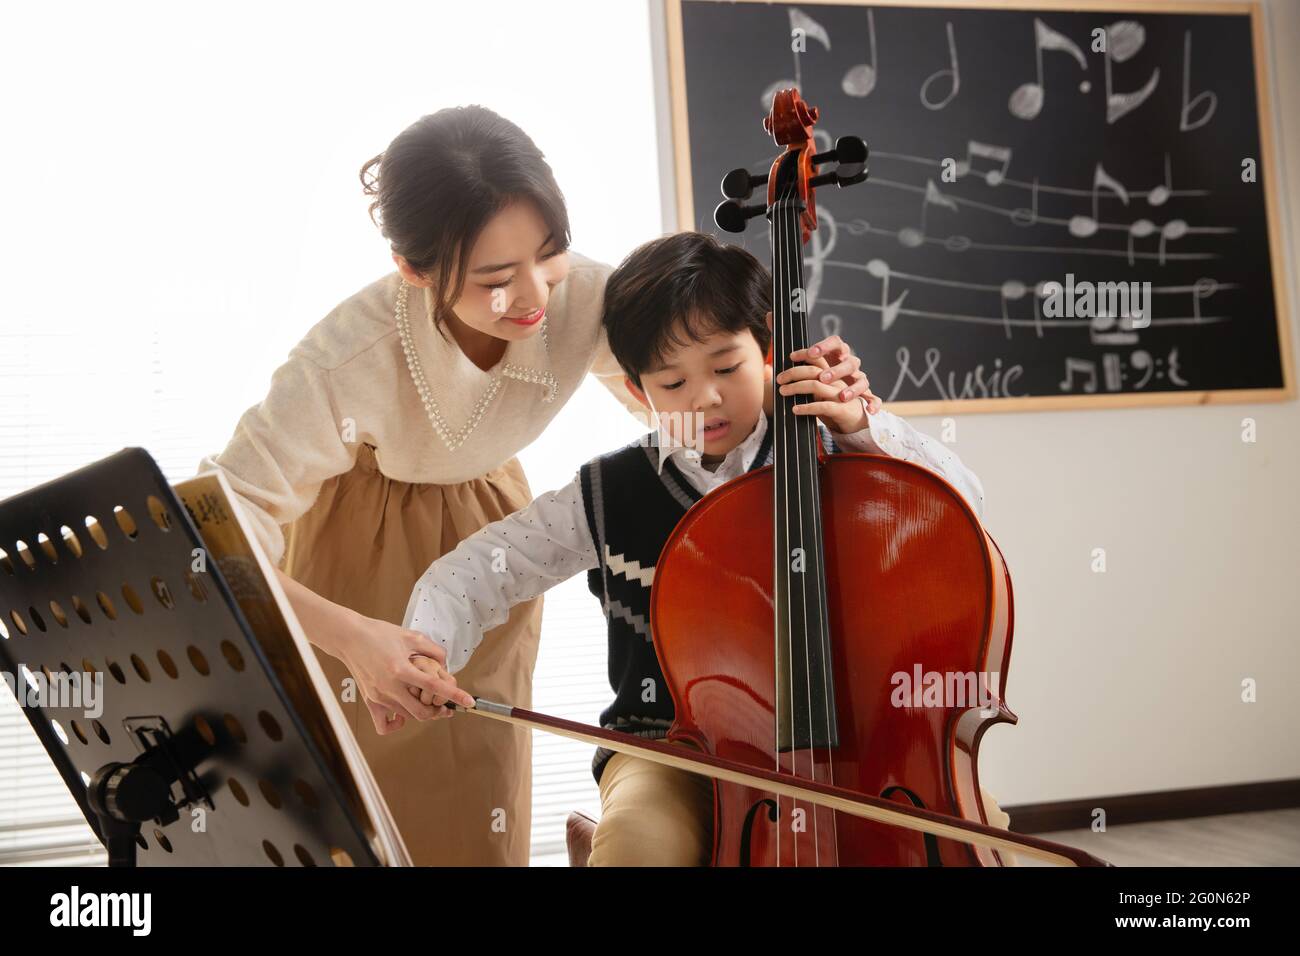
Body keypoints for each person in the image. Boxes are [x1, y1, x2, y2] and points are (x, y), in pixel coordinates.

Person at [197, 107, 875, 866]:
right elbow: (214, 534)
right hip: (344, 547)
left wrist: (832, 410)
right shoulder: (342, 361)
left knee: (477, 790)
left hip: (484, 517)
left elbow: (689, 398)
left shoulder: (584, 294)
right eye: (494, 278)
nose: (533, 296)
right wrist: (355, 638)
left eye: (548, 253)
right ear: (415, 270)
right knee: (343, 813)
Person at [402, 232, 1010, 865]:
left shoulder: (843, 450)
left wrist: (863, 427)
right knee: (641, 843)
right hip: (668, 750)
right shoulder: (611, 491)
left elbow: (964, 512)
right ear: (637, 390)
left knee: (977, 830)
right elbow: (484, 568)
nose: (706, 397)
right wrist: (427, 642)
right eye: (672, 382)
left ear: (769, 351)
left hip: (855, 748)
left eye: (726, 367)